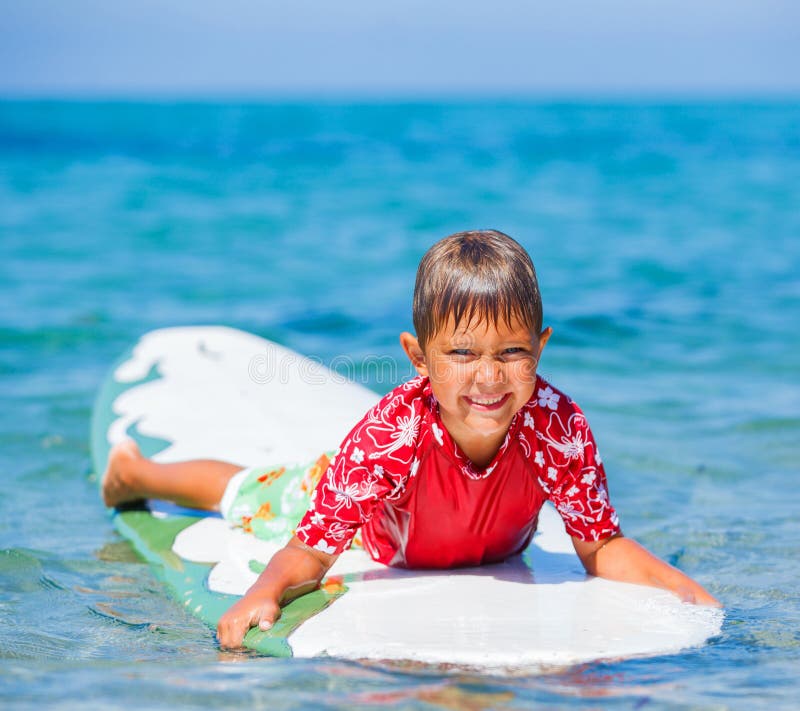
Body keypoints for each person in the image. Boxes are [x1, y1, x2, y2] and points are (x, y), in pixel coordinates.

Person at [102, 229, 720, 650]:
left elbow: (600, 546)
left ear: (542, 348)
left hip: (464, 539)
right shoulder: (392, 435)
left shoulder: (556, 426)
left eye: (512, 353)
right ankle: (139, 474)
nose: (488, 376)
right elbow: (313, 554)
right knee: (254, 492)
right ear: (418, 358)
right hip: (362, 515)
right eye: (461, 354)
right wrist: (264, 593)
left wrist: (681, 589)